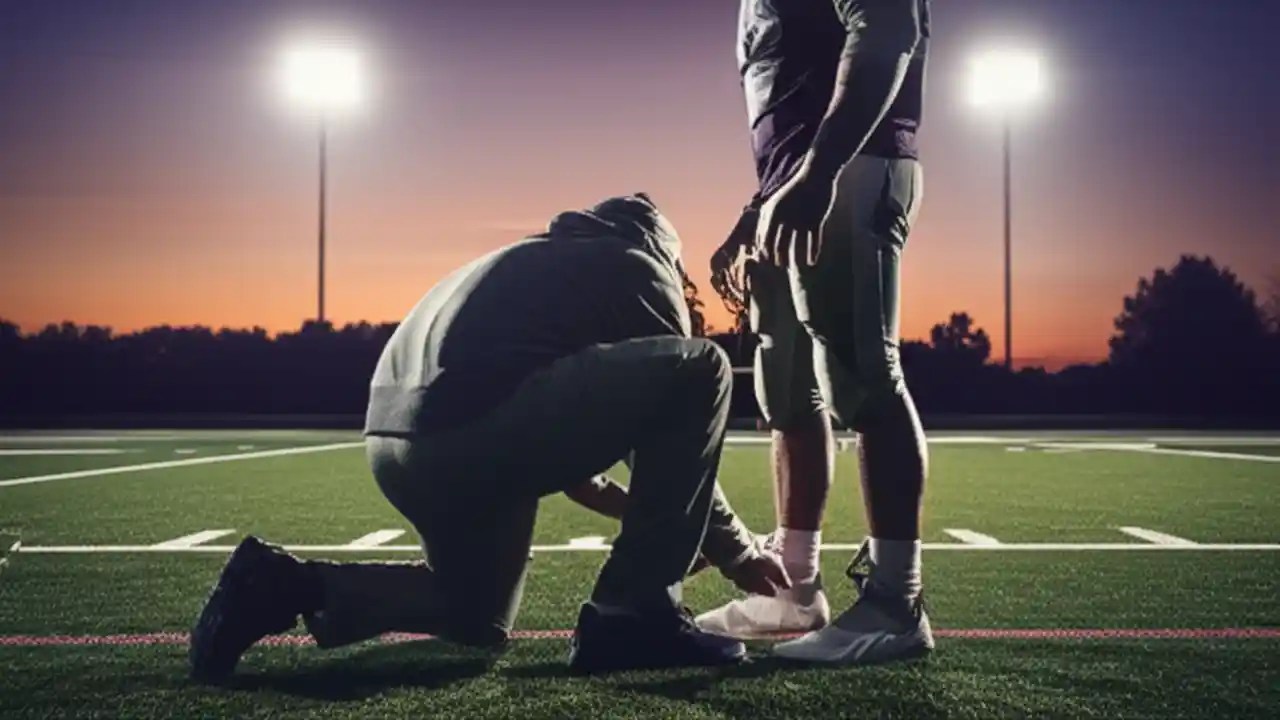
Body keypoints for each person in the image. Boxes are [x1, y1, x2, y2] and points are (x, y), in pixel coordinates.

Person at [188, 193, 790, 683]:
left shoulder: (535, 263)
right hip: (478, 429)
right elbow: (664, 411)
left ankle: (286, 584)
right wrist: (737, 551)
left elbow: (576, 464)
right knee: (703, 368)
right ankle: (634, 613)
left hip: (400, 443)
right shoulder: (637, 266)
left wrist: (659, 518)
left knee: (475, 616)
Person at [700, 0, 934, 665]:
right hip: (794, 182)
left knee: (863, 378)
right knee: (787, 390)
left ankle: (896, 602)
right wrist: (761, 204)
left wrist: (821, 171)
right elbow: (794, 86)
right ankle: (794, 588)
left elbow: (889, 28)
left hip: (847, 169)